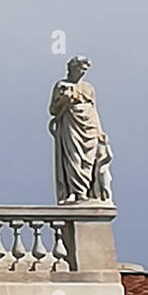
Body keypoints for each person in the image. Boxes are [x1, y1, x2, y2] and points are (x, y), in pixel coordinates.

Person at [49, 55, 111, 203]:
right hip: (71, 123)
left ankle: (86, 193)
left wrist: (100, 131)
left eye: (84, 70)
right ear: (72, 68)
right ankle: (75, 192)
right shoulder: (61, 85)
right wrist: (64, 100)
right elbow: (52, 110)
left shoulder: (88, 88)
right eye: (80, 69)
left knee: (88, 161)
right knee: (73, 158)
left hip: (89, 126)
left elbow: (94, 109)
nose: (82, 72)